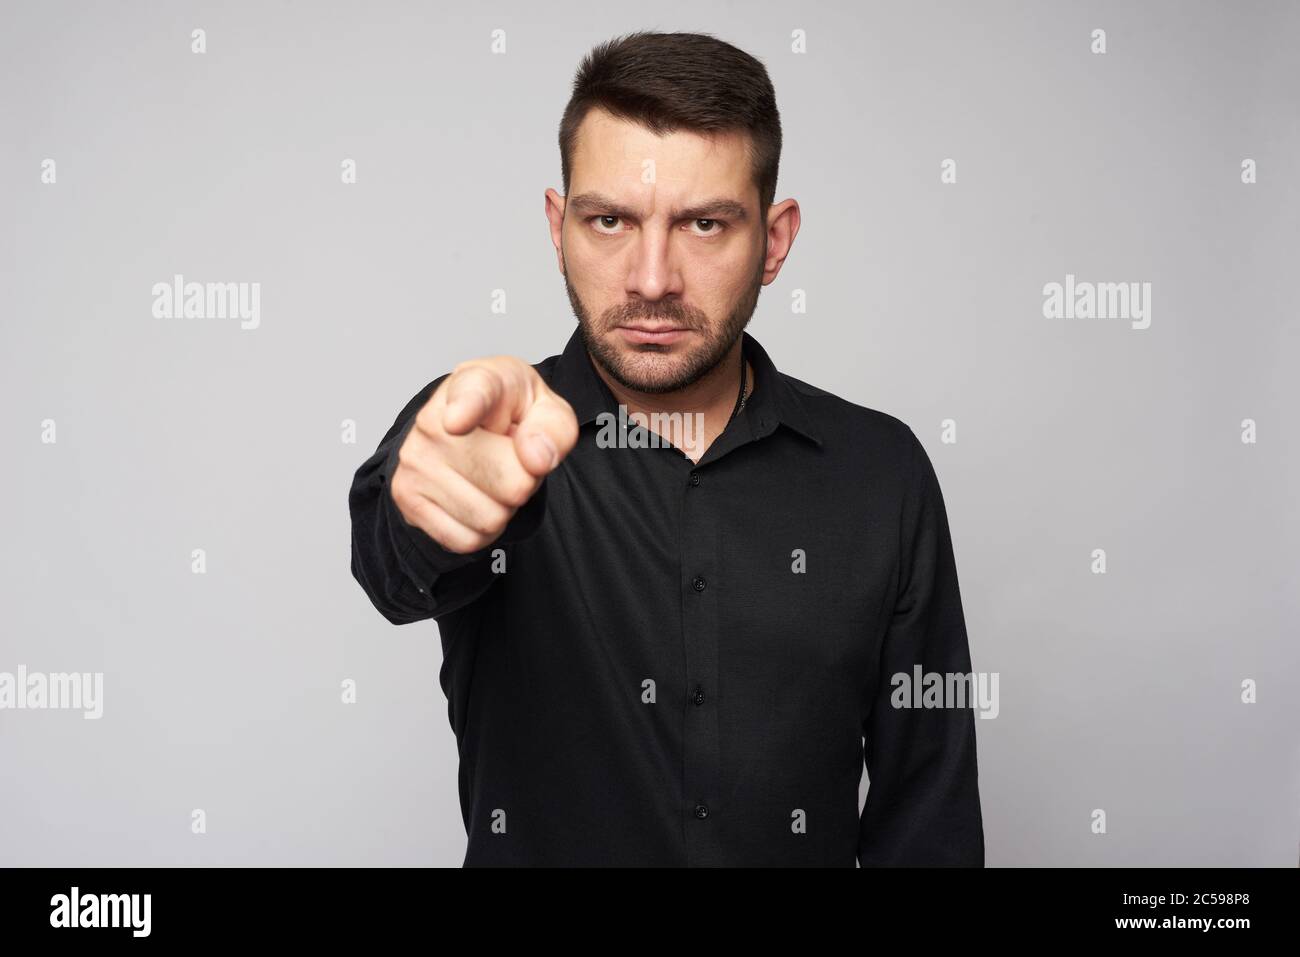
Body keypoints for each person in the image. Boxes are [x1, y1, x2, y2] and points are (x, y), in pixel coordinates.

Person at [349, 30, 984, 866]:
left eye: (704, 224)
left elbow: (927, 823)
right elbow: (394, 558)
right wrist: (422, 502)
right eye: (609, 220)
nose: (652, 279)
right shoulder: (487, 434)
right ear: (557, 225)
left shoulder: (883, 474)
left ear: (775, 238)